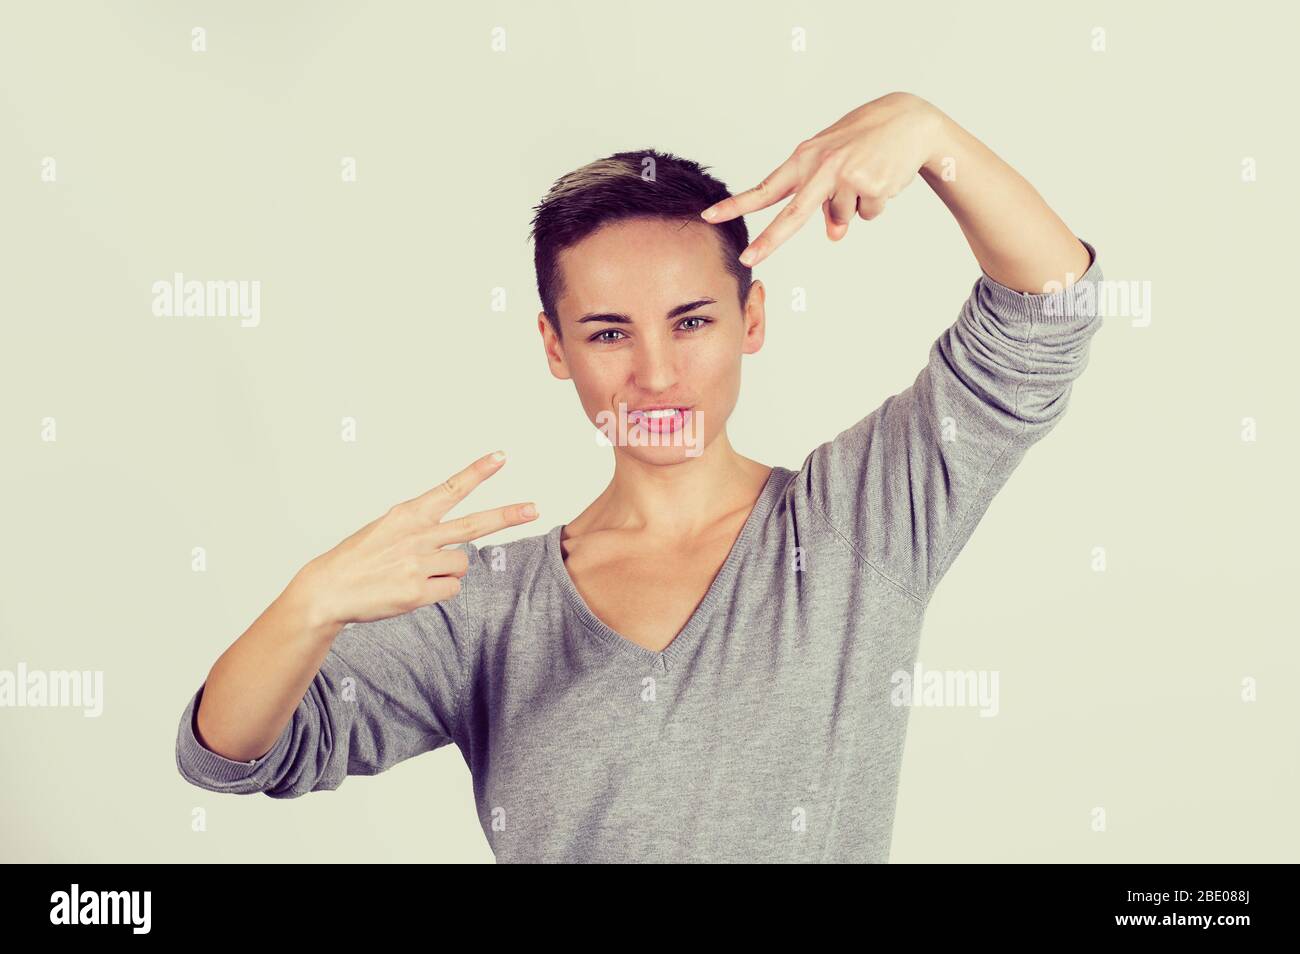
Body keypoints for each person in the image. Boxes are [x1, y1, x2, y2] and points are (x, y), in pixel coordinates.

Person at [175, 91, 1105, 863]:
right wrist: (310, 604)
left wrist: (932, 135)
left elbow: (1045, 317)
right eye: (609, 332)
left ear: (753, 320)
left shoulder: (855, 527)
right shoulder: (486, 610)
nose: (655, 374)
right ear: (555, 346)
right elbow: (234, 755)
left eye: (692, 321)